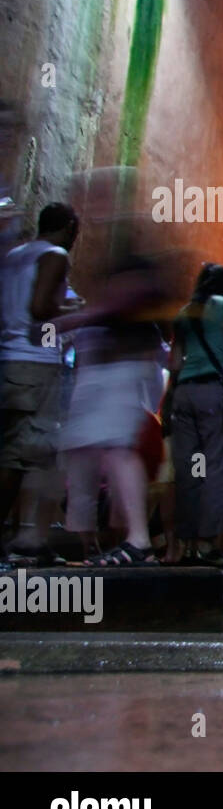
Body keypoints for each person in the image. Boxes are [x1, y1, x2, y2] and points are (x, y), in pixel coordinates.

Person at [55, 254, 167, 566]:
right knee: (88, 455)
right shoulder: (108, 316)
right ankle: (103, 544)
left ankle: (139, 540)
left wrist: (74, 318)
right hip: (106, 377)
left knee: (118, 451)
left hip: (120, 372)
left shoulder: (128, 291)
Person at [0, 202, 80, 564]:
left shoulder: (16, 255)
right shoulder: (55, 254)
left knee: (19, 453)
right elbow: (40, 308)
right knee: (27, 458)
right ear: (68, 226)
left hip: (11, 360)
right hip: (35, 364)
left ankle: (25, 537)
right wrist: (78, 310)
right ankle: (26, 538)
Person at [166, 263, 223, 566]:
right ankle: (210, 544)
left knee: (189, 469)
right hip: (213, 393)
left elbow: (175, 363)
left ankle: (186, 543)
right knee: (215, 466)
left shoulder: (184, 312)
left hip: (184, 394)